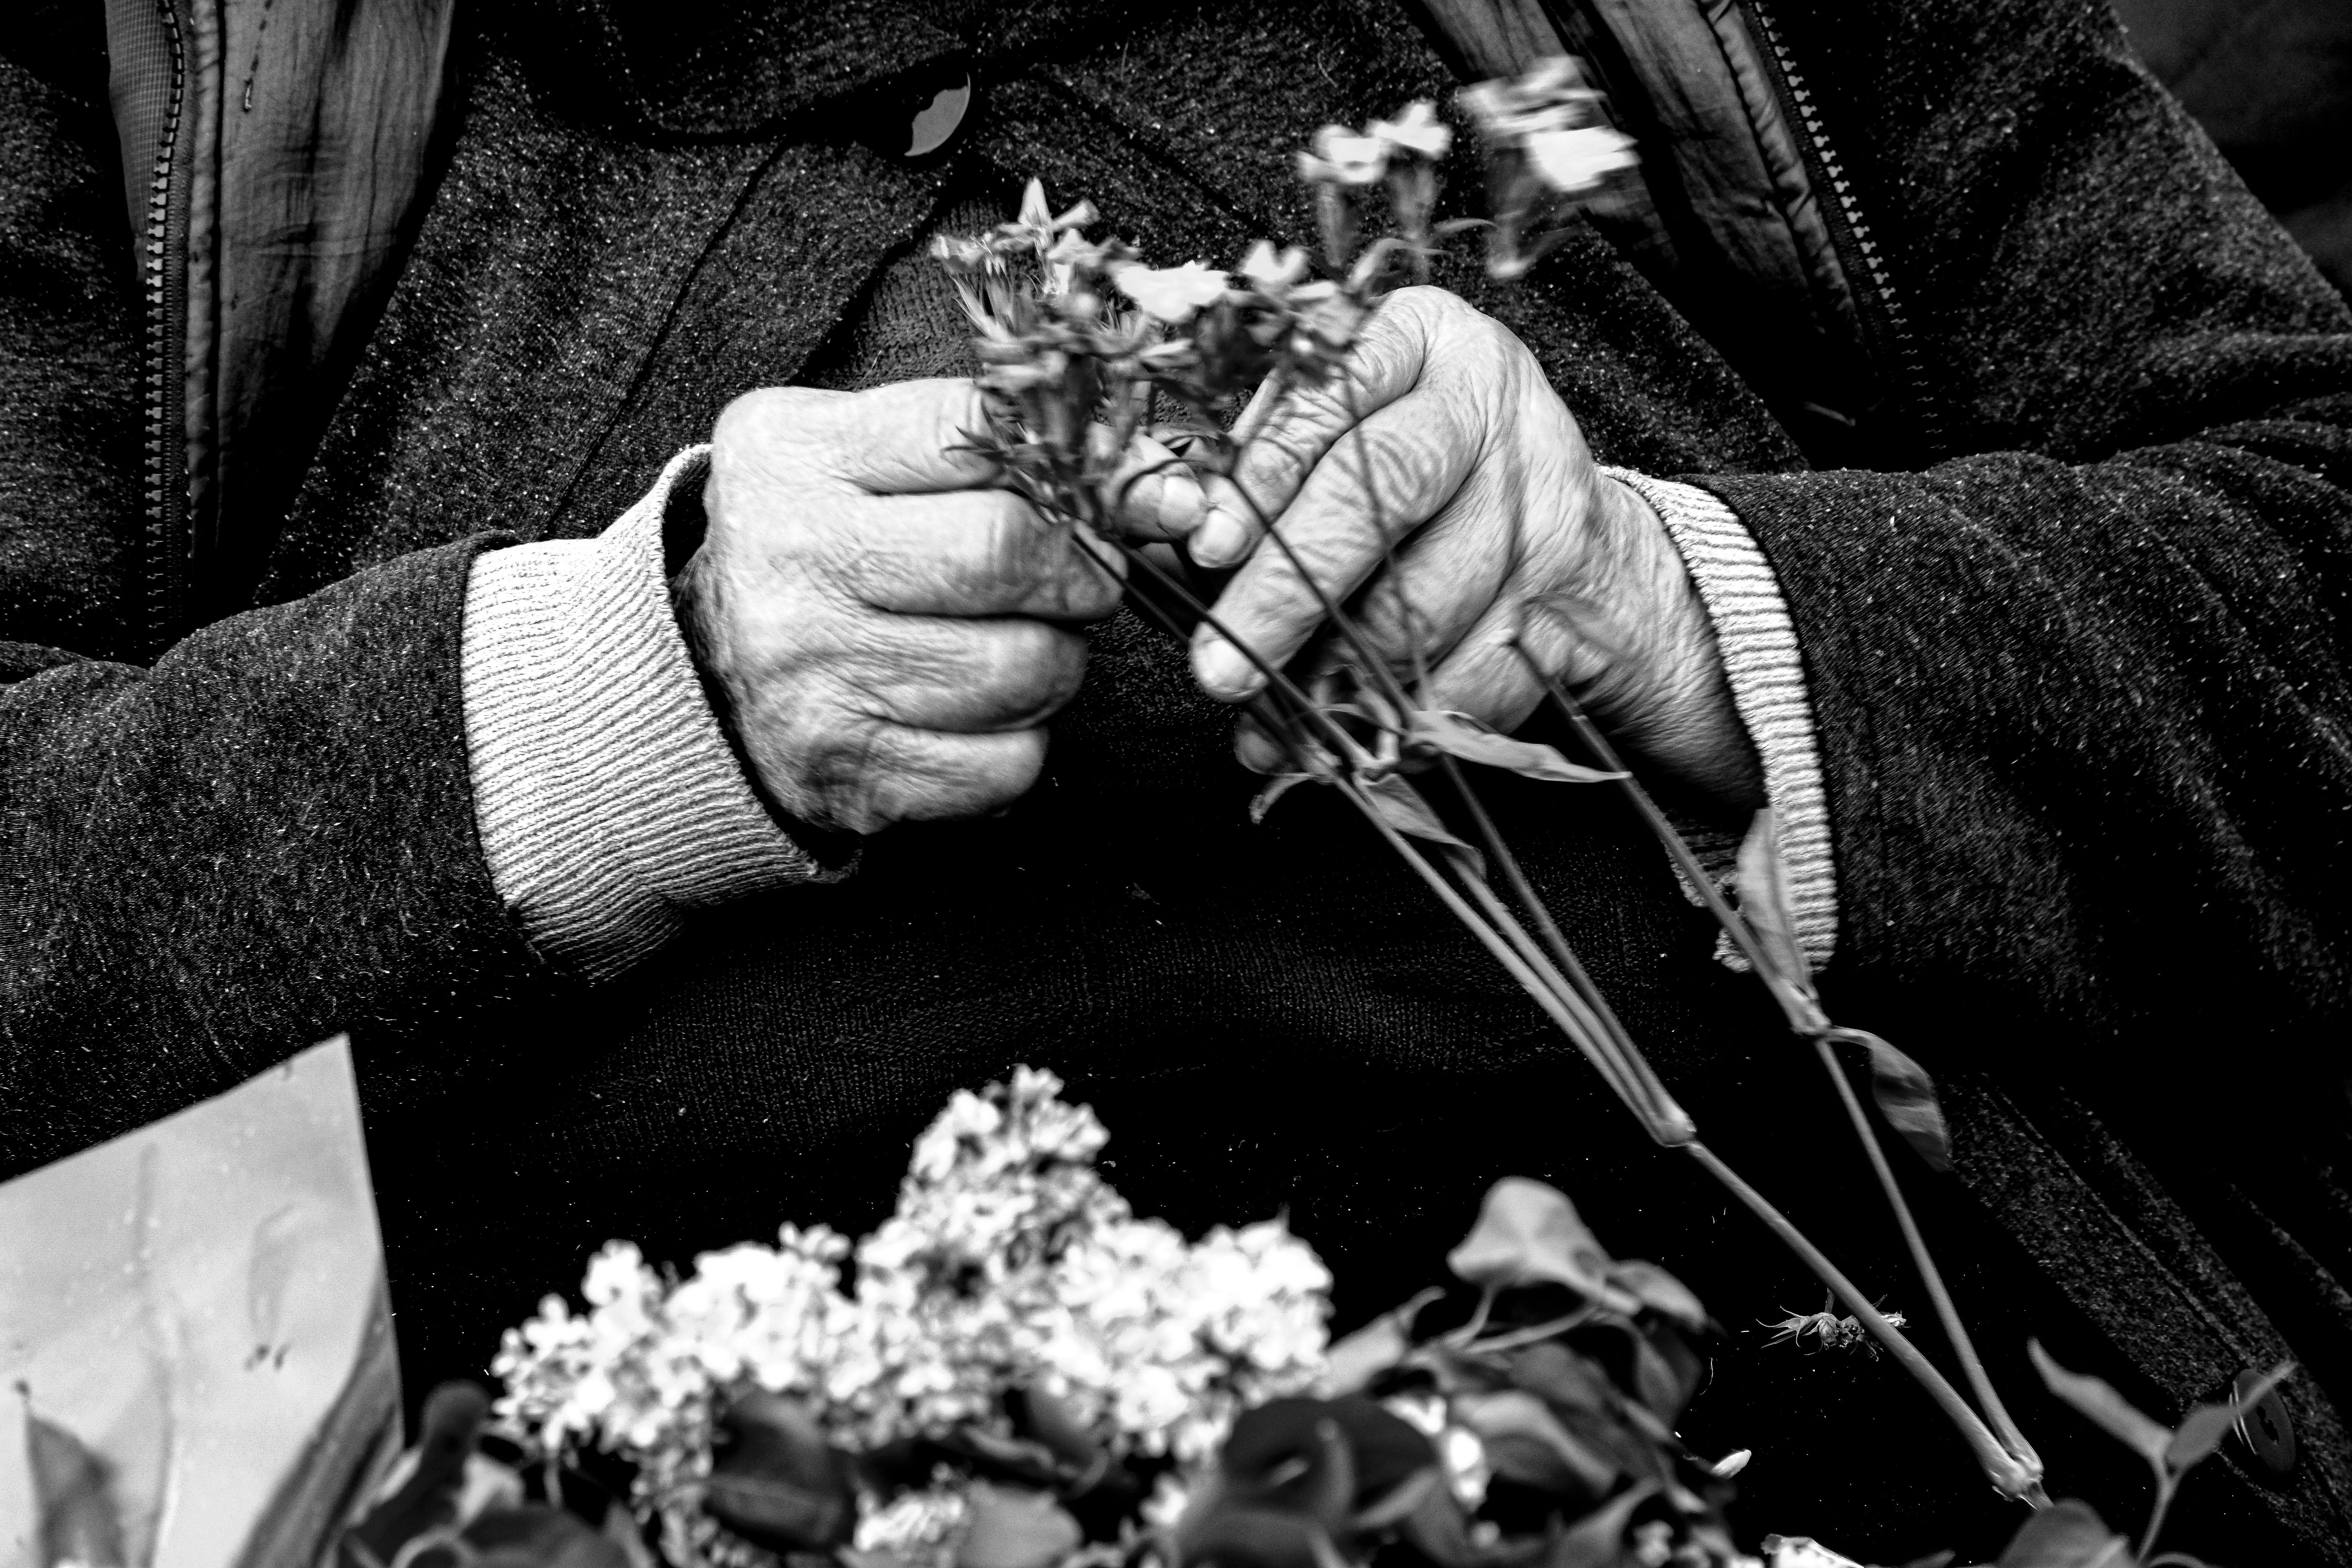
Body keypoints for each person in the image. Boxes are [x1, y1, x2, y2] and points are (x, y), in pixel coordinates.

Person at [3, 0, 2348, 1556]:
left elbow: (2300, 552)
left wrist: (1680, 611)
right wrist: (620, 693)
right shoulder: (195, 82)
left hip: (1829, 1432)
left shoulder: (1614, 70)